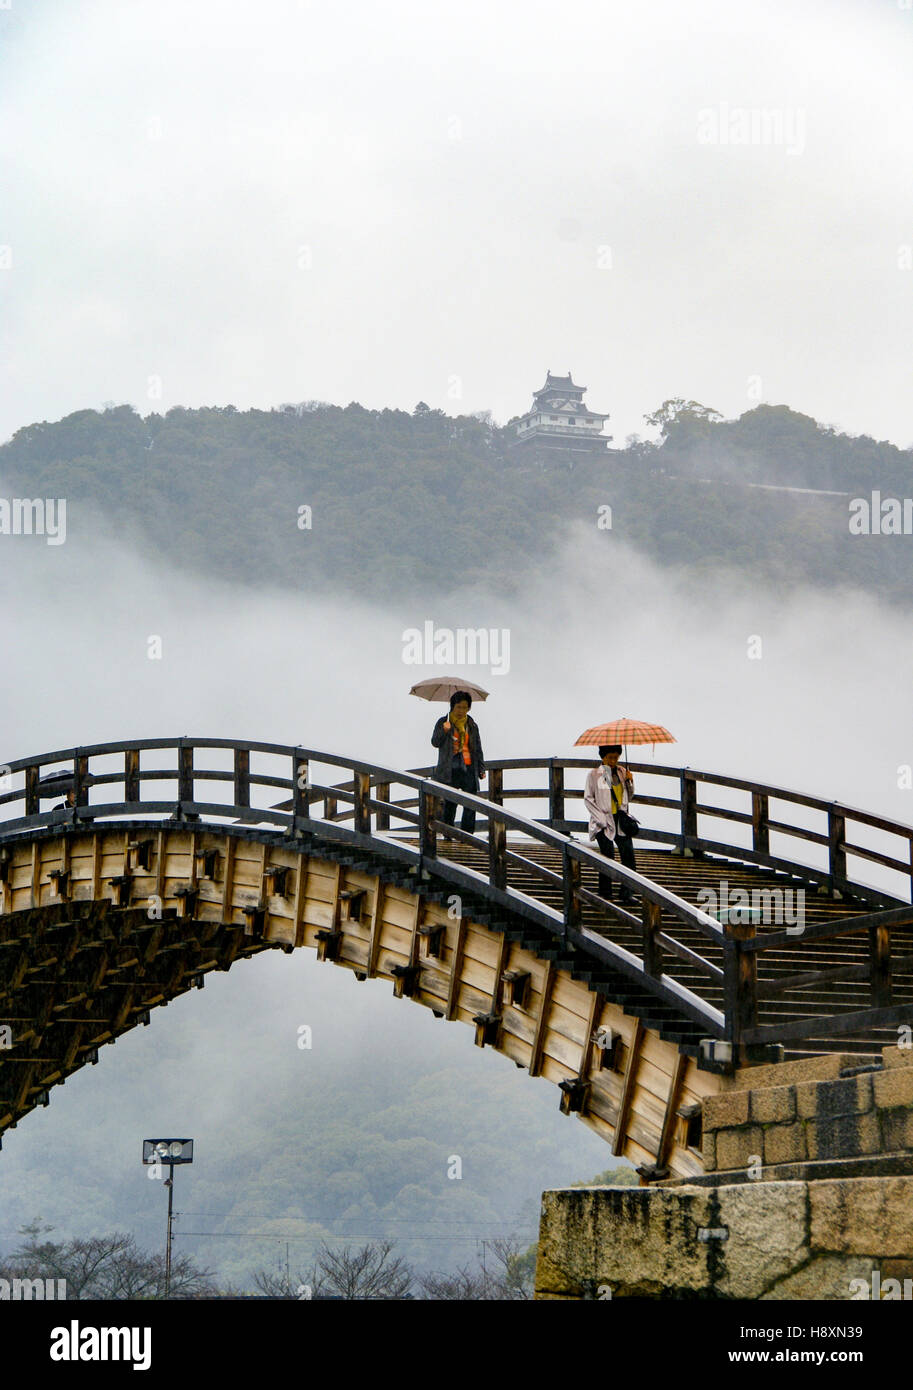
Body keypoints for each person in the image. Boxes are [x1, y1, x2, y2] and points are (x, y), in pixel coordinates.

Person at [584, 744, 637, 905]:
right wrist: (600, 819)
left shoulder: (622, 772)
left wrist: (630, 781)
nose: (613, 761)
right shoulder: (594, 775)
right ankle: (605, 892)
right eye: (610, 757)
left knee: (628, 855)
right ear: (603, 757)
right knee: (608, 855)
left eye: (616, 757)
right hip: (603, 820)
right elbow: (588, 798)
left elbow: (630, 796)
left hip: (620, 818)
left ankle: (626, 892)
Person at [431, 690, 486, 834]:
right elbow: (435, 742)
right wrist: (444, 730)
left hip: (469, 767)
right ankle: (448, 833)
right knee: (450, 803)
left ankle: (467, 835)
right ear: (452, 707)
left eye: (464, 707)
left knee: (470, 803)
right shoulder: (444, 722)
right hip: (451, 769)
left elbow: (477, 748)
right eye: (458, 707)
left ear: (469, 708)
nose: (461, 711)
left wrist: (481, 768)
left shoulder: (471, 725)